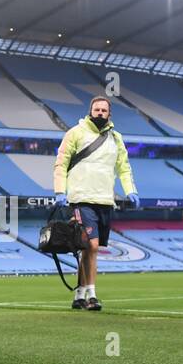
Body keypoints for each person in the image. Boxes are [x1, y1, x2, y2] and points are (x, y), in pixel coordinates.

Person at [53, 96, 138, 311]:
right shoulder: (75, 133)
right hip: (81, 198)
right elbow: (61, 163)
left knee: (88, 249)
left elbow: (124, 168)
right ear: (90, 111)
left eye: (103, 110)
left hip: (105, 200)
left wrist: (130, 190)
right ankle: (92, 295)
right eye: (96, 109)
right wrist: (60, 191)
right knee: (91, 246)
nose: (100, 113)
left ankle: (78, 295)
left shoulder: (116, 138)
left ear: (109, 114)